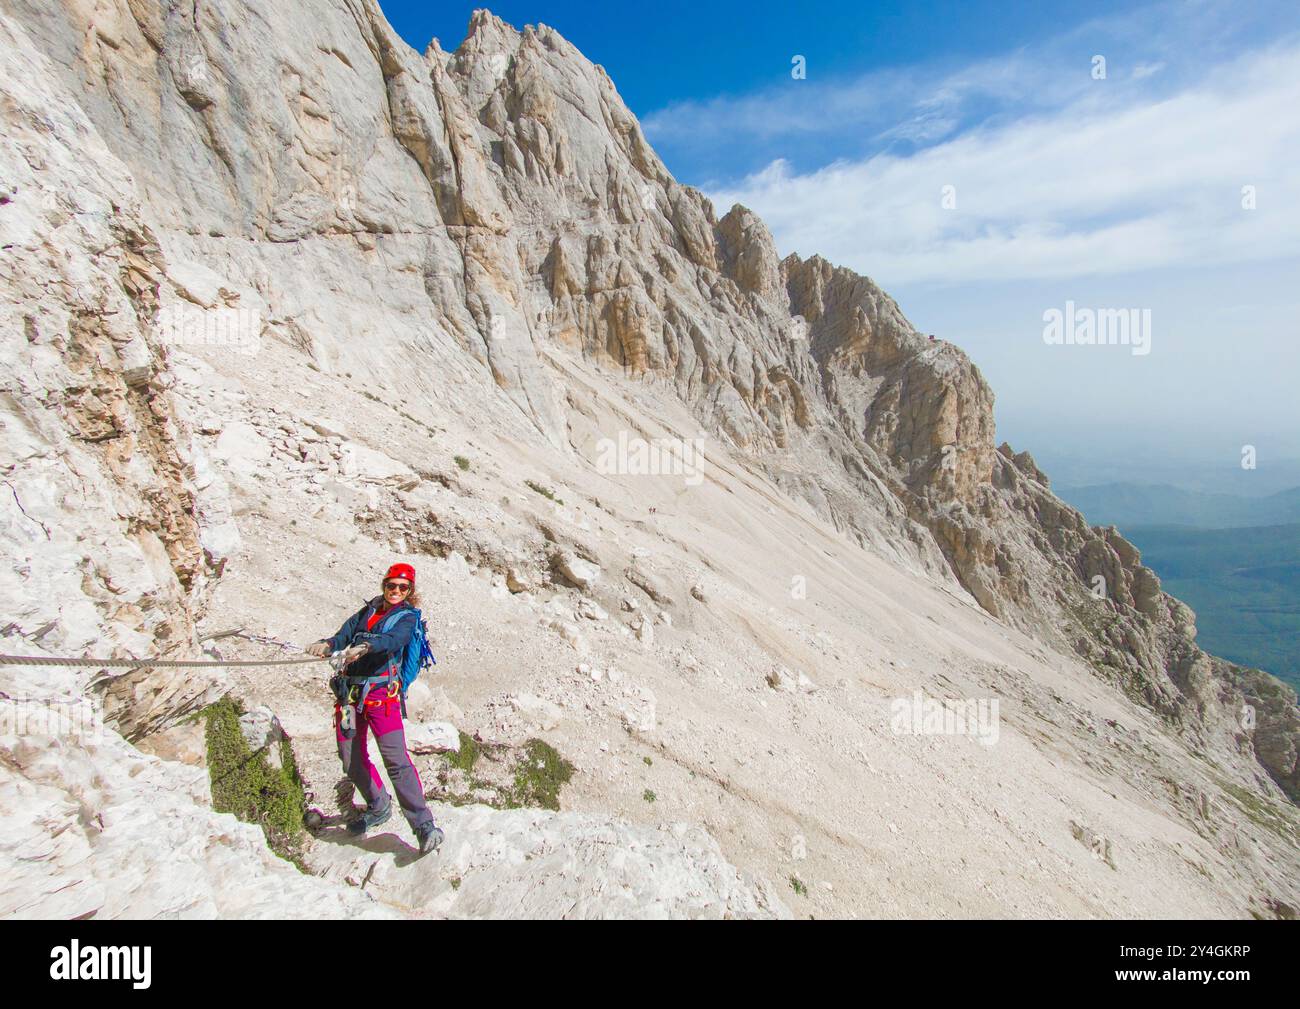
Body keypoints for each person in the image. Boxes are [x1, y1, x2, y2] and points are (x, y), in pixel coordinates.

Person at [305, 563, 443, 854]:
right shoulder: (368, 611)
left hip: (383, 697)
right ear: (384, 585)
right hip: (350, 696)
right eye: (391, 586)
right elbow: (344, 634)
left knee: (396, 760)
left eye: (402, 588)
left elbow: (394, 640)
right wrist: (328, 643)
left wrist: (366, 647)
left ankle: (423, 825)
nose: (395, 591)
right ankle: (378, 804)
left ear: (410, 591)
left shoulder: (407, 618)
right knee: (350, 757)